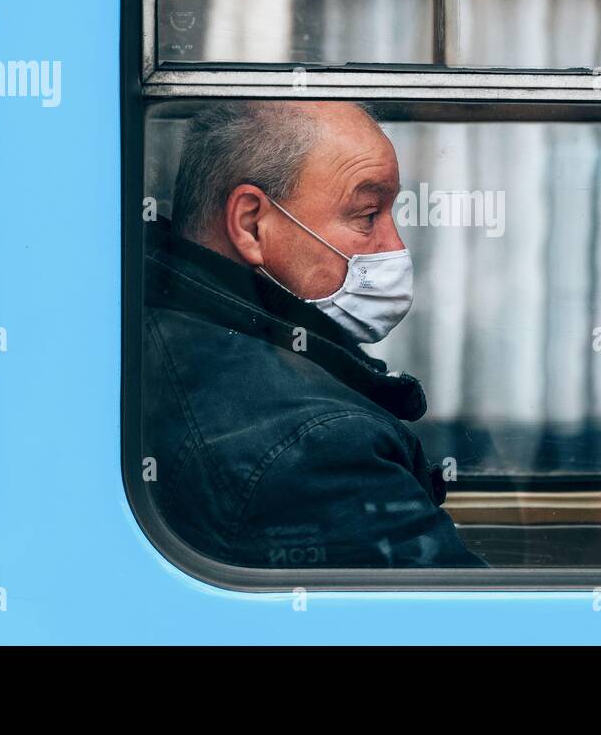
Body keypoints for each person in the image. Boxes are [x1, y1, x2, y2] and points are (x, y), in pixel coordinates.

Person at [142, 100, 485, 568]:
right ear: (251, 225)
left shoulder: (168, 331)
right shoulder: (317, 447)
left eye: (392, 213)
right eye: (367, 215)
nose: (395, 247)